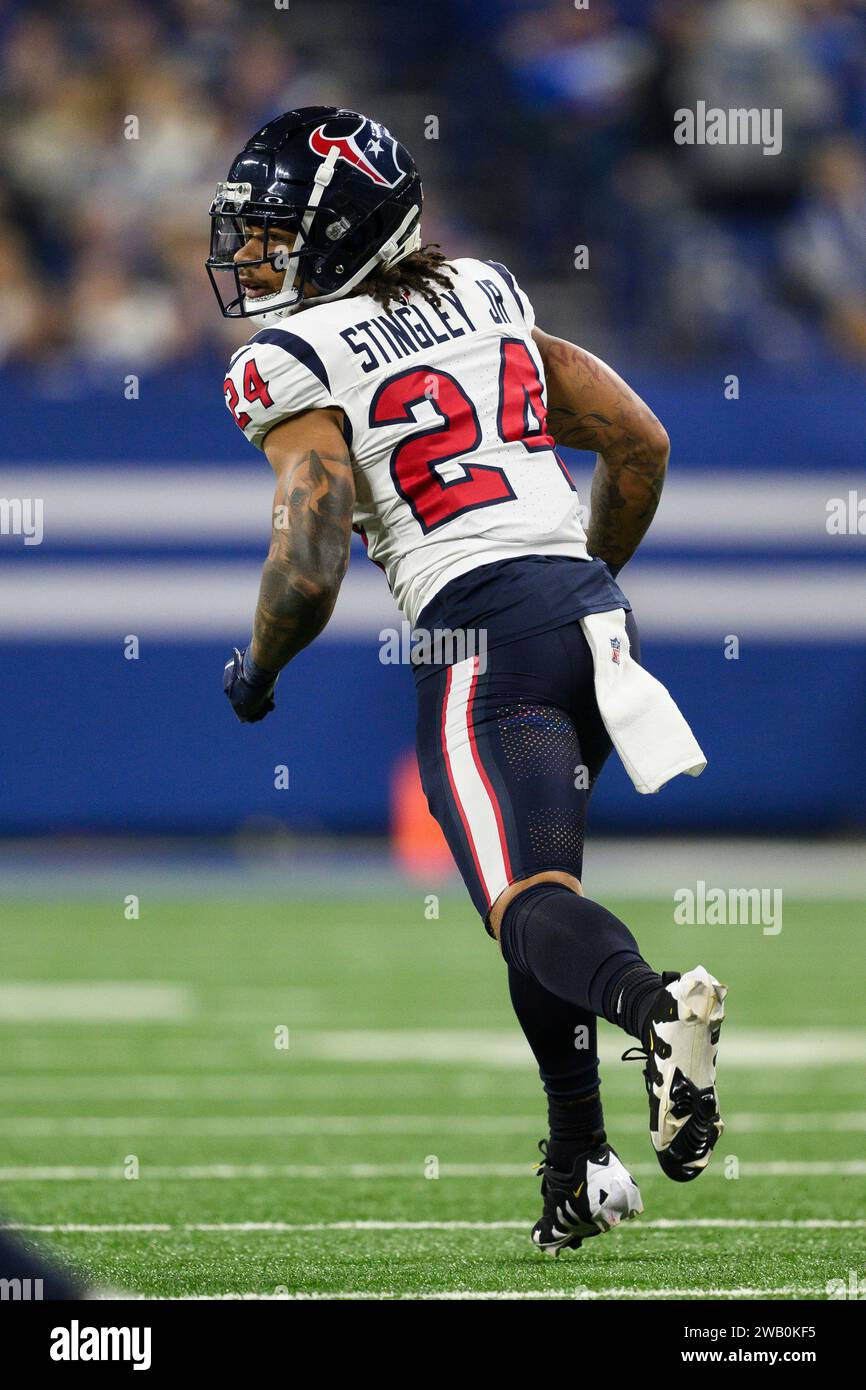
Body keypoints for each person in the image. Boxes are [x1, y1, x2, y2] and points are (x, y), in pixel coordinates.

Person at [211, 106, 726, 1256]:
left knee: (523, 906)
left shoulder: (289, 360)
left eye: (275, 230)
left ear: (340, 232)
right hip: (588, 624)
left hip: (473, 639)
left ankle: (658, 1012)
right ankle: (576, 1157)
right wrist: (581, 586)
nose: (251, 252)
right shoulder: (486, 293)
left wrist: (259, 670)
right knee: (539, 903)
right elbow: (637, 440)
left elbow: (308, 554)